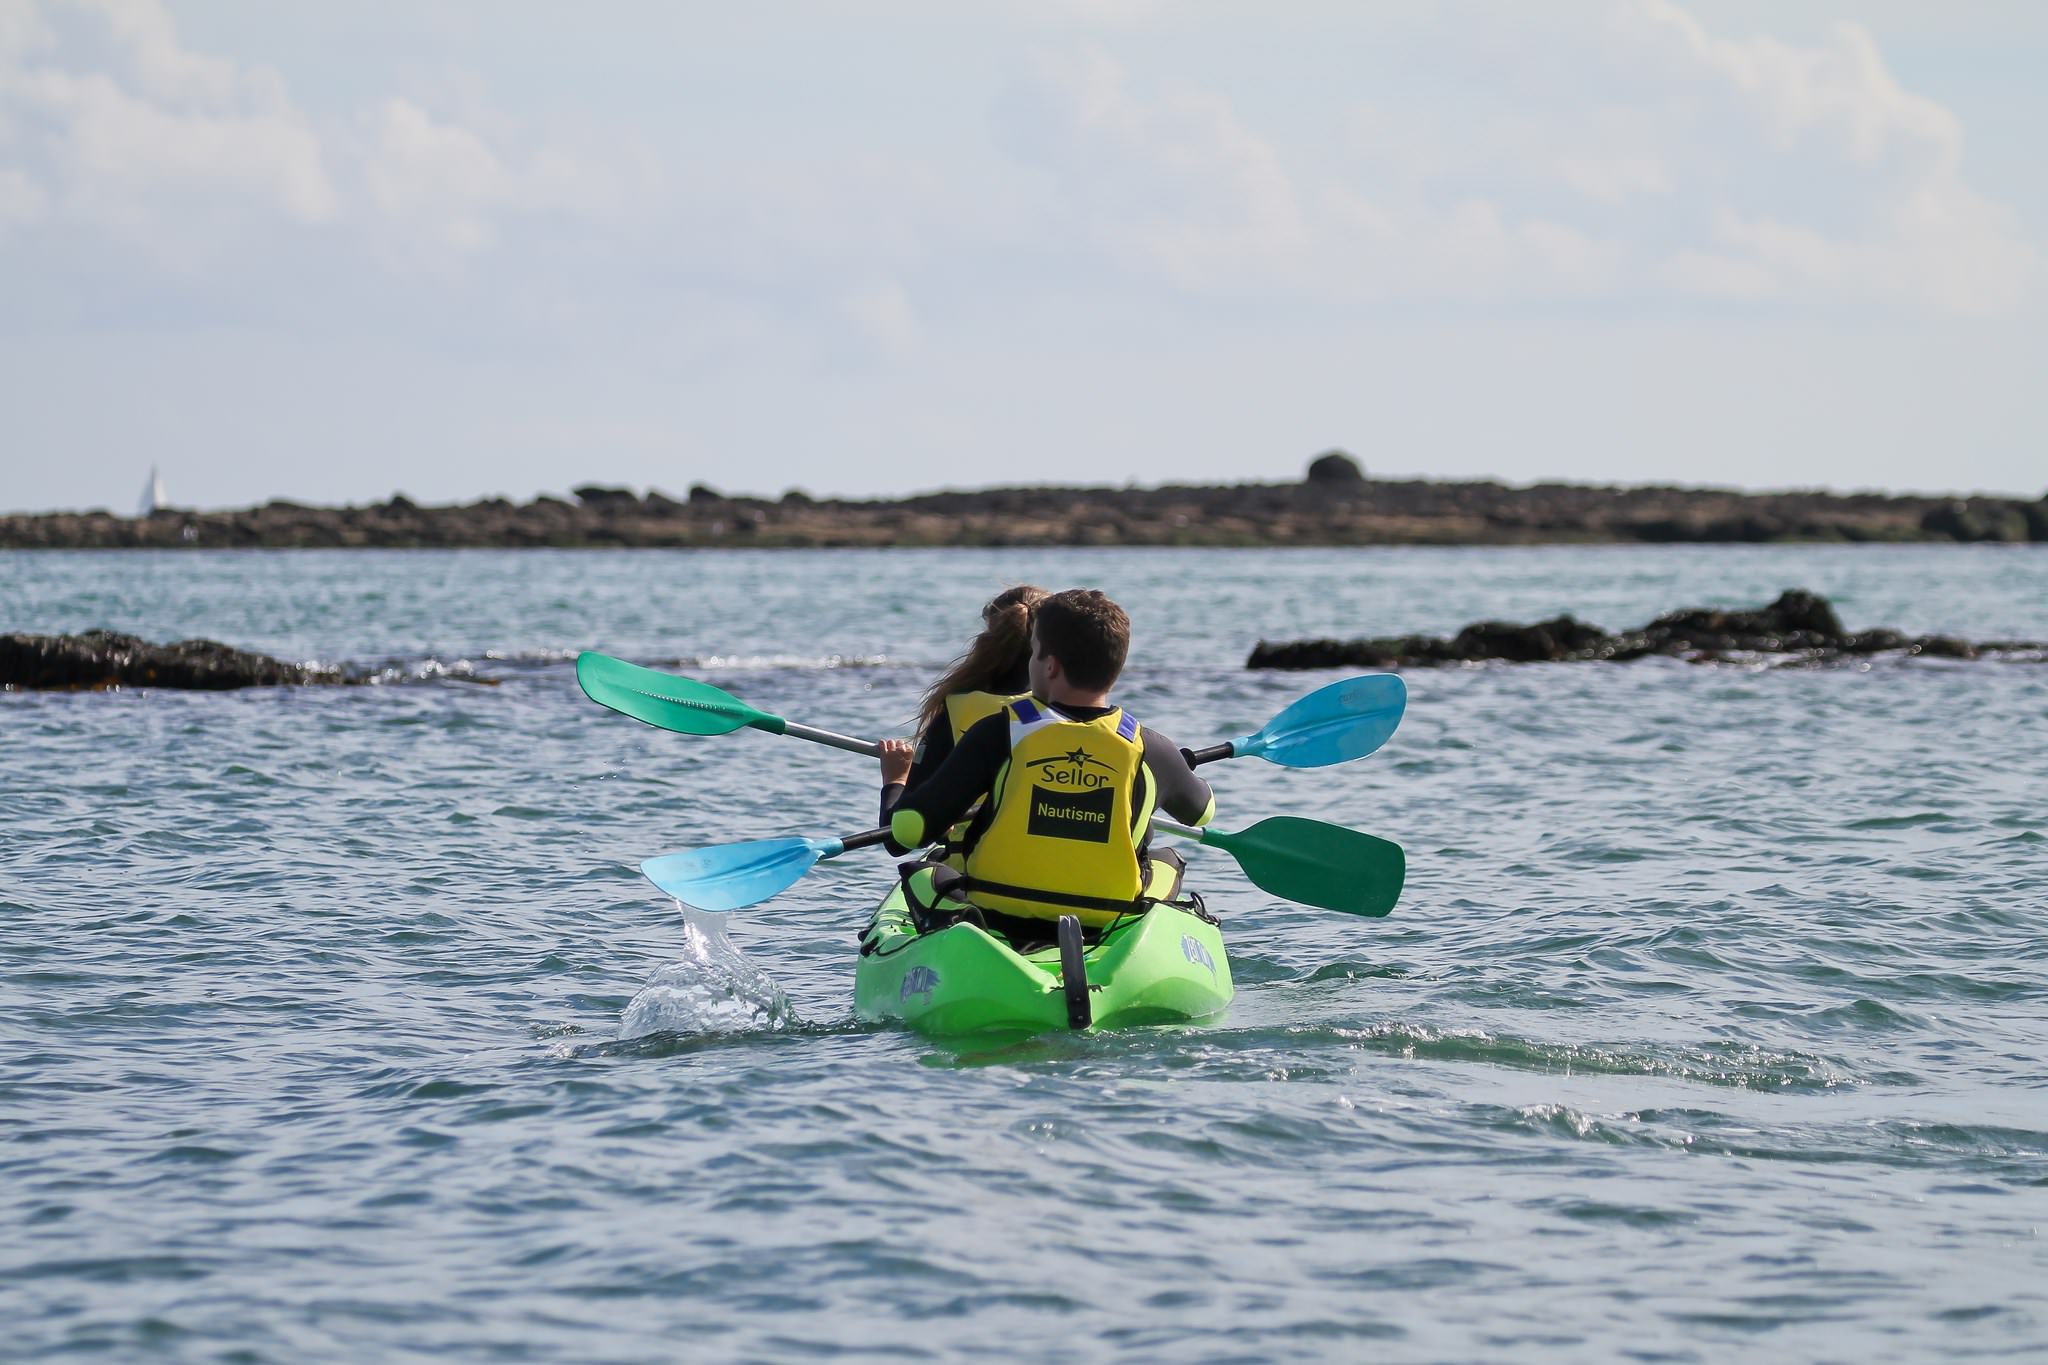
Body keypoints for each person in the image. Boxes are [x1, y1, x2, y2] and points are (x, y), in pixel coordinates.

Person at [879, 588, 1215, 941]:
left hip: (999, 914)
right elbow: (1202, 811)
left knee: (924, 873)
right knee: (1167, 859)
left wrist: (895, 784)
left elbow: (908, 830)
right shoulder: (1152, 747)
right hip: (1105, 919)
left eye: (1034, 653)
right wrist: (1179, 767)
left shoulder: (999, 731)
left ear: (1049, 665)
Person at [876, 584, 1046, 824]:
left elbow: (898, 837)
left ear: (989, 638)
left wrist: (896, 778)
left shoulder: (958, 710)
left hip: (971, 859)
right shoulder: (1064, 714)